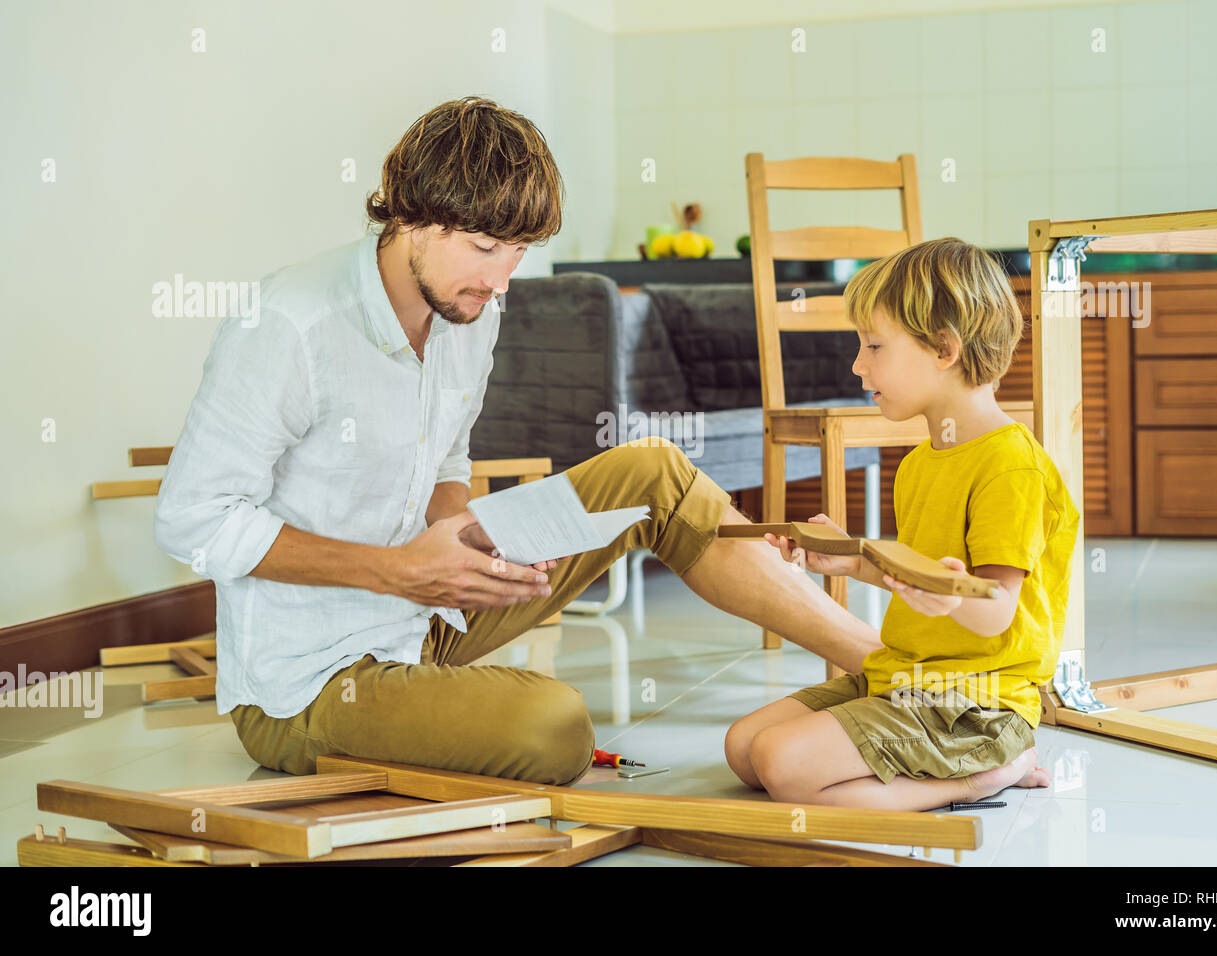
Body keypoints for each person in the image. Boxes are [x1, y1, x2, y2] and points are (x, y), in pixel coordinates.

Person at [154, 96, 881, 786]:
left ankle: (888, 665)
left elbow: (444, 459)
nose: (502, 281)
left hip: (428, 615)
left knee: (654, 471)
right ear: (409, 216)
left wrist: (467, 535)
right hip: (308, 688)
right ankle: (428, 707)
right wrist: (396, 571)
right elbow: (194, 519)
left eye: (520, 251)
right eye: (484, 247)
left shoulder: (470, 310)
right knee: (554, 727)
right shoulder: (288, 323)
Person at [724, 237, 1079, 811]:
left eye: (873, 346)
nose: (858, 364)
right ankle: (947, 773)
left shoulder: (1009, 466)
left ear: (944, 348)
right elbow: (916, 579)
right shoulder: (920, 461)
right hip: (905, 678)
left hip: (977, 705)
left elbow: (993, 612)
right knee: (743, 749)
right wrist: (851, 558)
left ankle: (988, 775)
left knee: (784, 768)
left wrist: (947, 595)